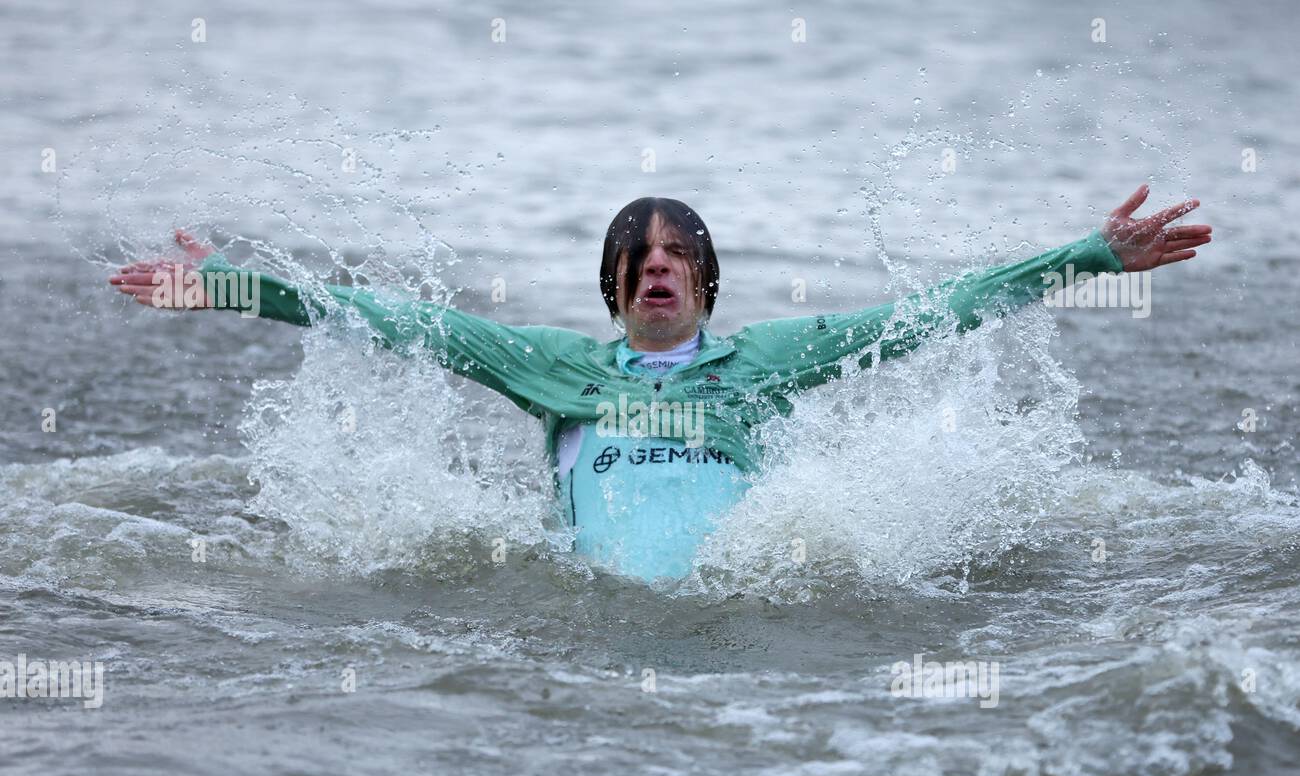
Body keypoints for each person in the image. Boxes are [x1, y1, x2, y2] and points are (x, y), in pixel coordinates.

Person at [109, 188, 1210, 581]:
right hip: (596, 606)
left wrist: (1086, 258)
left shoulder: (768, 359)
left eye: (676, 255)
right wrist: (232, 287)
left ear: (705, 280)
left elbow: (926, 315)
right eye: (638, 259)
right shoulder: (555, 366)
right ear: (614, 285)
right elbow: (401, 322)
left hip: (738, 592)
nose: (656, 268)